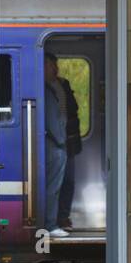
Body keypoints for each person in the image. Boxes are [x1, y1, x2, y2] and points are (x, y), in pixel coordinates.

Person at [42, 52, 69, 238]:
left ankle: (51, 222)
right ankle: (50, 225)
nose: (56, 69)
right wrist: (61, 143)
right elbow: (53, 122)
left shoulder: (52, 88)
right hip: (54, 145)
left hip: (54, 144)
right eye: (52, 65)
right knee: (53, 186)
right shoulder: (47, 91)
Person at [57, 73, 81, 230]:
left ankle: (63, 216)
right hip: (53, 141)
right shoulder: (44, 87)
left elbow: (74, 108)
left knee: (69, 180)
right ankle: (54, 219)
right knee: (54, 183)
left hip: (68, 141)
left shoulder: (63, 84)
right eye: (52, 65)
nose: (56, 69)